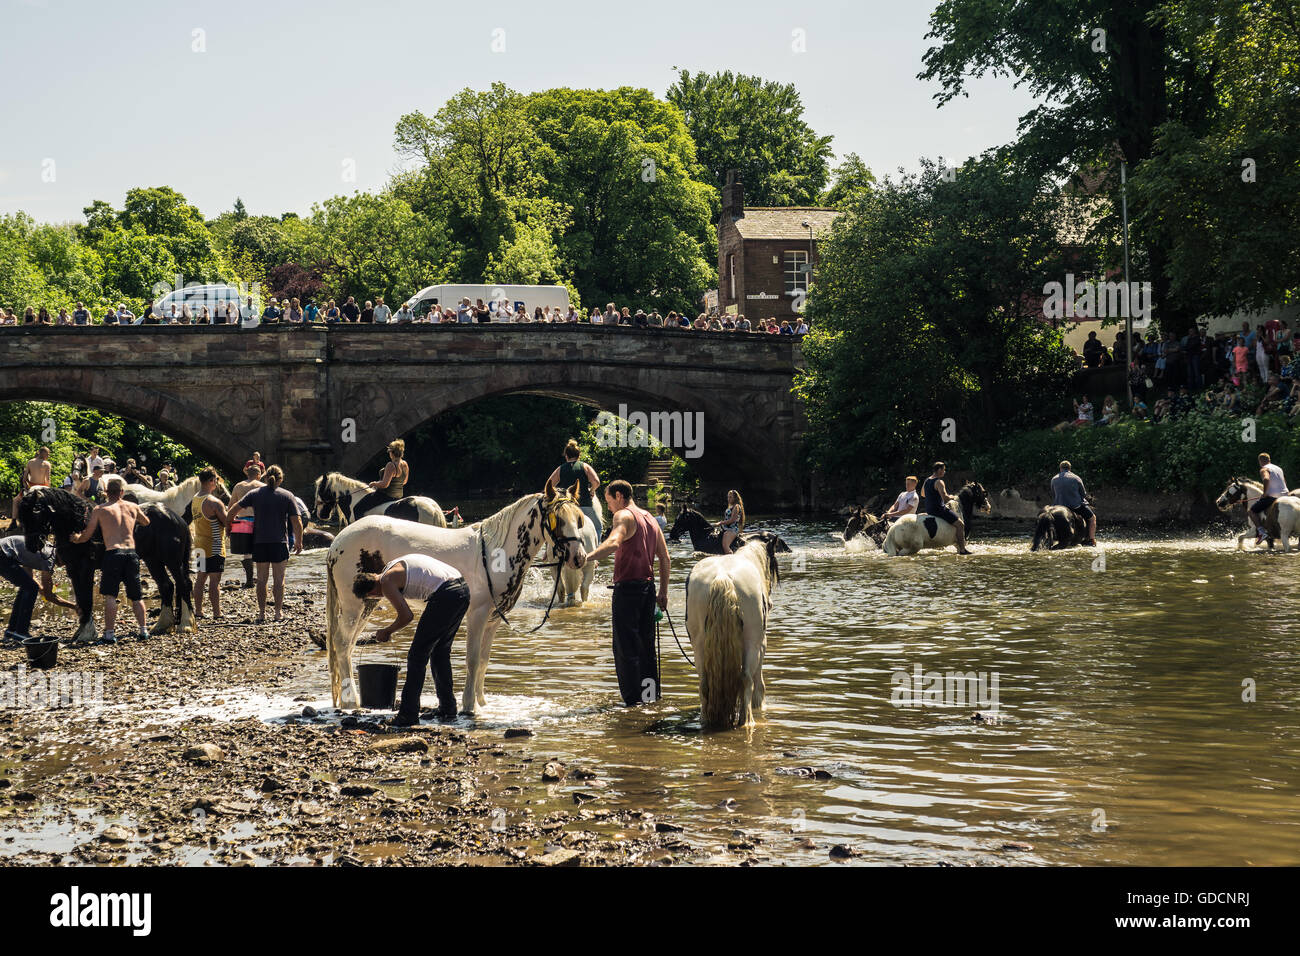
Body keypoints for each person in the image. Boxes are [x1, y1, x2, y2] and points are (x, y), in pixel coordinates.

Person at [353, 554, 470, 725]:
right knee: (439, 652)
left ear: (371, 593)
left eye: (373, 598)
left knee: (416, 656)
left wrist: (387, 631)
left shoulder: (386, 582)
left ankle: (408, 714)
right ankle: (448, 709)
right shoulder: (391, 567)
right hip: (462, 589)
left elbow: (406, 616)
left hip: (446, 594)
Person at [584, 480, 670, 706]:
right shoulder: (650, 518)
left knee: (626, 649)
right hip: (648, 589)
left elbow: (613, 543)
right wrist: (663, 593)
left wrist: (586, 558)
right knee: (647, 648)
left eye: (609, 500)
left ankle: (632, 705)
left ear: (619, 496)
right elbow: (665, 557)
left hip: (627, 591)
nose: (608, 506)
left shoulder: (623, 516)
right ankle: (651, 699)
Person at [70, 476, 151, 644]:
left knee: (111, 596)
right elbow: (146, 522)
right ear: (122, 492)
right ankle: (143, 631)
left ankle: (109, 633)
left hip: (113, 554)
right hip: (131, 554)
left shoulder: (100, 509)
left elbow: (87, 535)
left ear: (106, 493)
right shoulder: (133, 507)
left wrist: (76, 538)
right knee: (136, 596)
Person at [224, 465, 302, 623]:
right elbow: (297, 521)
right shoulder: (287, 495)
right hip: (279, 543)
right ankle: (278, 614)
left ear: (265, 478)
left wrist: (228, 527)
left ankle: (261, 613)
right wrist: (299, 541)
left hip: (259, 542)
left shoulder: (254, 494)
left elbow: (232, 510)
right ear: (281, 479)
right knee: (279, 580)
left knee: (261, 580)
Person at [0, 534, 75, 644]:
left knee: (28, 586)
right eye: (66, 563)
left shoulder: (47, 548)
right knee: (30, 587)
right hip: (3, 554)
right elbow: (49, 596)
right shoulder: (49, 559)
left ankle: (12, 630)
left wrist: (42, 589)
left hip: (4, 551)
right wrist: (74, 606)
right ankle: (21, 631)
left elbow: (29, 575)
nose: (64, 566)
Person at [187, 468, 230, 621]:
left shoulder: (195, 499)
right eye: (216, 480)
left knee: (200, 578)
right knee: (214, 581)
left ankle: (198, 611)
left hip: (199, 543)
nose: (217, 483)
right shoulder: (214, 502)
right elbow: (227, 523)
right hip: (215, 544)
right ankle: (217, 612)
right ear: (212, 481)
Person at [546, 439, 603, 538]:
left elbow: (548, 485)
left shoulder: (560, 469)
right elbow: (596, 482)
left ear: (566, 456)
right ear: (578, 455)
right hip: (585, 504)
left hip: (566, 508)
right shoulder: (585, 466)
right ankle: (596, 551)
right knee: (598, 527)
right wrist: (592, 491)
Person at [227, 459, 265, 588]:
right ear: (259, 475)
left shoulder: (239, 486)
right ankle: (261, 580)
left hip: (242, 521)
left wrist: (228, 525)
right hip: (259, 521)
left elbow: (231, 506)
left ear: (247, 474)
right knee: (260, 549)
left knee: (246, 552)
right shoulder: (263, 487)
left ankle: (249, 580)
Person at [921, 461, 972, 554]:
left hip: (929, 509)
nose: (945, 472)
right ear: (939, 470)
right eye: (944, 470)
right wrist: (952, 497)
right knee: (960, 524)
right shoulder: (939, 482)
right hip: (938, 510)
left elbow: (922, 494)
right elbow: (945, 498)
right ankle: (962, 549)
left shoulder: (927, 480)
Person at [1051, 460, 1096, 546]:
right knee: (1092, 518)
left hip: (1058, 505)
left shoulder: (1054, 479)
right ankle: (1091, 539)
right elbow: (1083, 494)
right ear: (1070, 468)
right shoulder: (1076, 478)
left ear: (1060, 468)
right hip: (1075, 506)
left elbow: (1053, 494)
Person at [1250, 453, 1287, 546]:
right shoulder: (1278, 468)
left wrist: (1265, 493)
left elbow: (1266, 479)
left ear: (1260, 461)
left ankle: (1262, 532)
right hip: (1286, 495)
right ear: (1269, 459)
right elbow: (1284, 482)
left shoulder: (1264, 469)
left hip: (1273, 497)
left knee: (1251, 511)